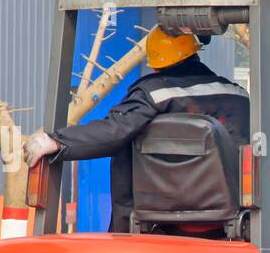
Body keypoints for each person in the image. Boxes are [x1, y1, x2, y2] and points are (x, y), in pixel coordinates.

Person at [24, 27, 250, 232]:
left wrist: (56, 141)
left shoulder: (152, 93)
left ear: (154, 64)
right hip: (230, 222)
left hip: (160, 223)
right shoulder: (238, 95)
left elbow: (115, 131)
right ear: (195, 52)